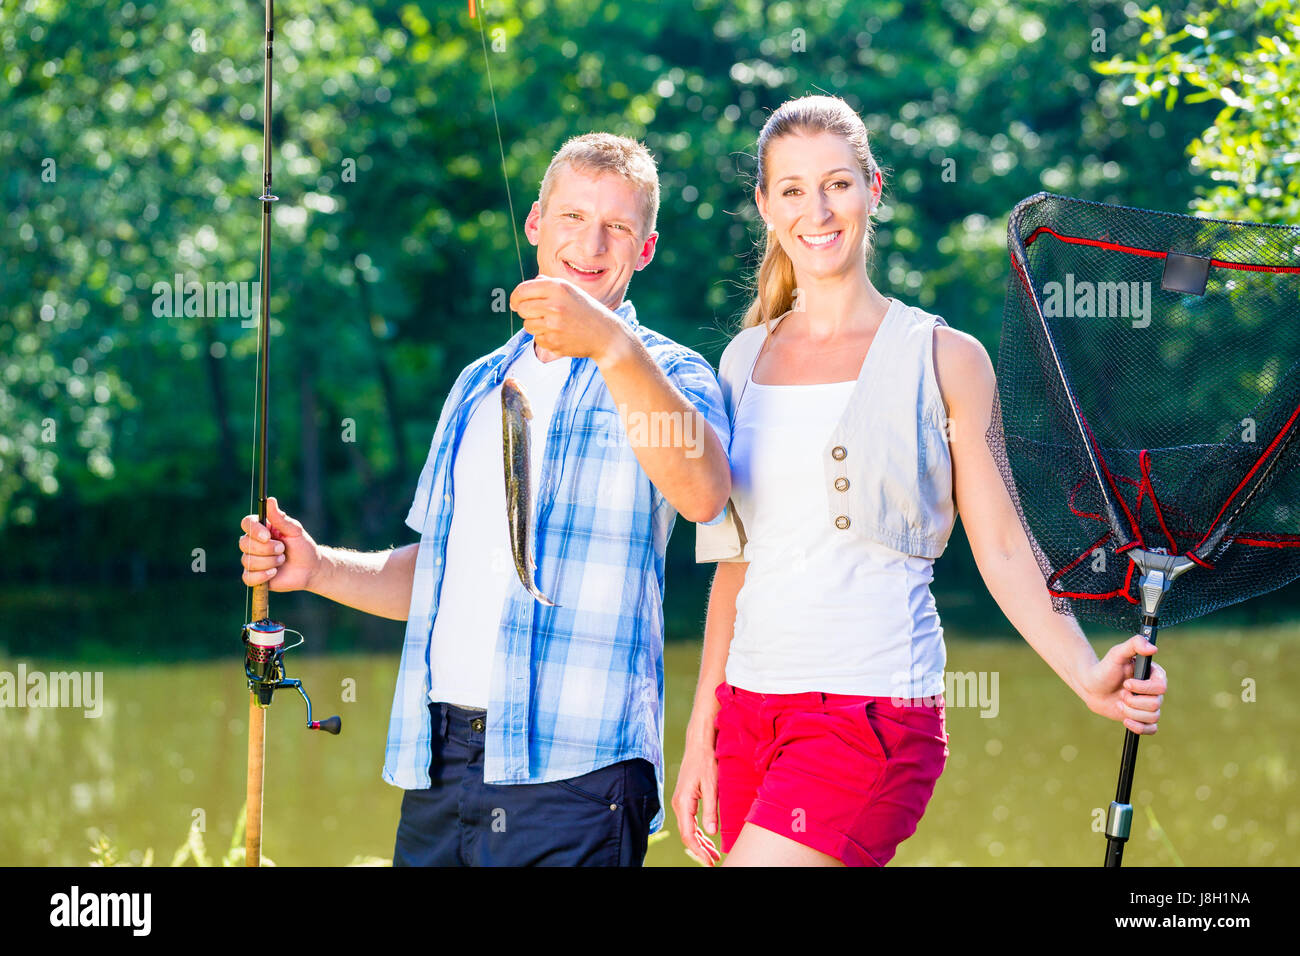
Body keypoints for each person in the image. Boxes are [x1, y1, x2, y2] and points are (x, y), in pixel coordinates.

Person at [672, 95, 1169, 867]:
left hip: (870, 719)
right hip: (747, 715)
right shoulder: (742, 361)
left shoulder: (947, 359)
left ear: (875, 188)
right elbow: (737, 560)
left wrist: (1083, 673)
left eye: (838, 183)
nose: (818, 209)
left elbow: (1002, 545)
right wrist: (703, 722)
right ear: (766, 206)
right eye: (794, 190)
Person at [239, 132, 732, 866]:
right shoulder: (475, 384)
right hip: (442, 763)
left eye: (617, 227)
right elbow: (438, 574)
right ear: (536, 224)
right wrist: (316, 570)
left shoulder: (673, 374)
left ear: (646, 249)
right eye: (571, 217)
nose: (590, 242)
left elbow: (704, 494)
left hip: (580, 772)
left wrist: (611, 347)